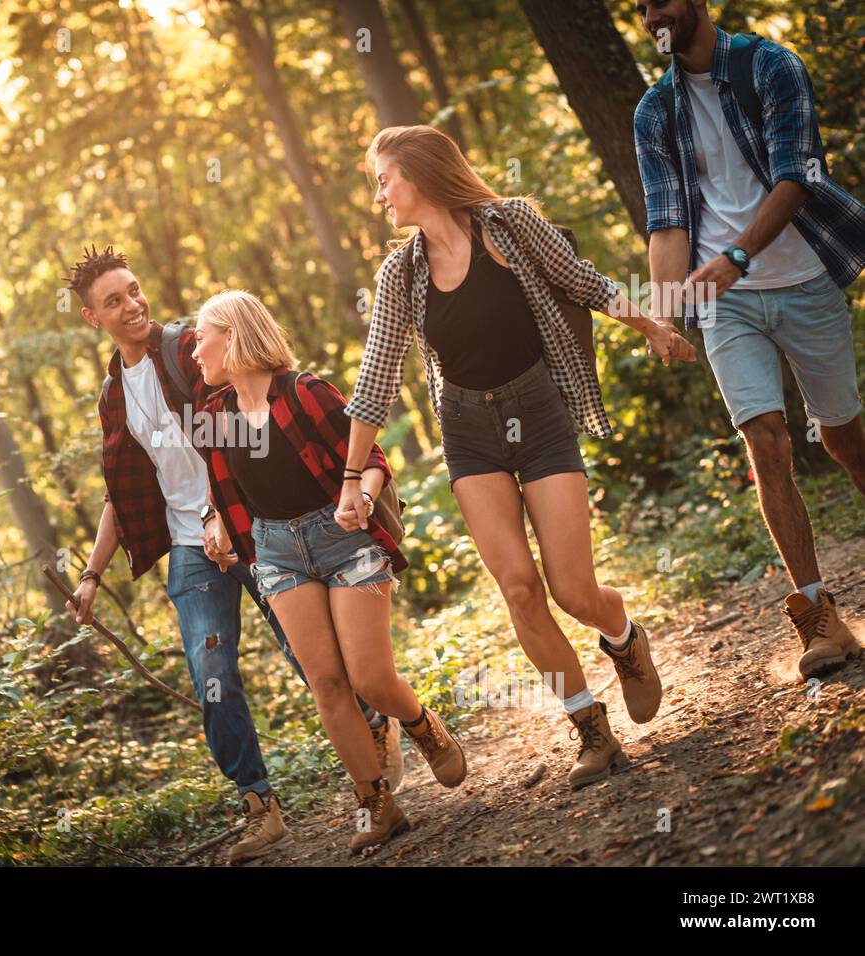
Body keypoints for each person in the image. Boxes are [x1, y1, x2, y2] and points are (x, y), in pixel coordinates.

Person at [342, 125, 697, 788]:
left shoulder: (509, 226)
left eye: (385, 179)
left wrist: (651, 323)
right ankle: (591, 728)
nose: (381, 195)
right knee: (521, 591)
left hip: (538, 411)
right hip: (469, 430)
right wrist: (347, 478)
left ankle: (623, 637)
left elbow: (585, 283)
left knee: (573, 589)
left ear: (418, 176)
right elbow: (375, 380)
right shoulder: (402, 273)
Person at [64, 246, 402, 863]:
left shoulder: (191, 350)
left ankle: (375, 732)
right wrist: (90, 574)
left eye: (134, 290)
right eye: (113, 301)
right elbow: (120, 493)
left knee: (316, 665)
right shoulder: (114, 396)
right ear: (93, 318)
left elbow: (254, 419)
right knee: (211, 676)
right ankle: (258, 804)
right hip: (190, 549)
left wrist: (230, 512)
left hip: (254, 528)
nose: (132, 304)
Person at [633, 0, 865, 679]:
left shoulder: (770, 66)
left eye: (662, 0)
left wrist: (737, 256)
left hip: (801, 280)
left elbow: (797, 175)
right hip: (725, 305)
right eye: (642, 6)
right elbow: (667, 220)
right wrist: (664, 311)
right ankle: (818, 616)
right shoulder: (654, 111)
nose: (654, 14)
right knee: (765, 439)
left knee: (846, 439)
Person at [193, 289, 466, 854]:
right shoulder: (215, 416)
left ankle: (420, 726)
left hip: (341, 538)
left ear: (234, 333)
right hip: (275, 551)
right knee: (327, 683)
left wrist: (361, 499)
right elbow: (225, 491)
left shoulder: (305, 393)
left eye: (201, 337)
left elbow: (371, 459)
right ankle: (376, 804)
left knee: (369, 676)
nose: (195, 351)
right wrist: (215, 521)